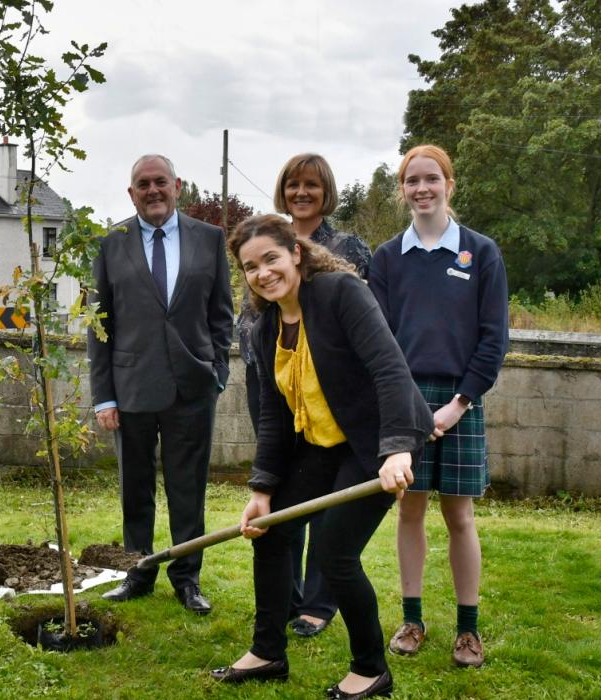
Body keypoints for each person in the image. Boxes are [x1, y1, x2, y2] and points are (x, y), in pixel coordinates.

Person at [210, 214, 432, 699]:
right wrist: (262, 490)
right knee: (269, 535)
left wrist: (396, 450)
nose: (263, 272)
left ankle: (371, 668)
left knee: (334, 553)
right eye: (250, 267)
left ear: (296, 251)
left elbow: (389, 368)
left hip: (375, 443)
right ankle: (268, 652)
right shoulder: (267, 325)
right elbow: (272, 412)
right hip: (321, 444)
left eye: (270, 258)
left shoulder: (340, 293)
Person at [371, 144, 508, 669]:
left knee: (459, 515)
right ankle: (412, 619)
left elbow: (493, 339)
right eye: (412, 180)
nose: (422, 188)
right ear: (402, 189)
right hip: (404, 399)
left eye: (432, 179)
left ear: (450, 185)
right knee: (410, 508)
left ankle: (468, 630)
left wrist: (459, 404)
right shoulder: (387, 258)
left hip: (461, 400)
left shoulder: (481, 252)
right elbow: (379, 341)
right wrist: (404, 407)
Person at [88, 154, 233, 615]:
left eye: (161, 182)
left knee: (188, 488)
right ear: (131, 193)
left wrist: (217, 374)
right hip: (130, 388)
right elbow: (99, 324)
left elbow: (221, 315)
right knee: (136, 487)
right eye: (143, 184)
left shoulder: (209, 239)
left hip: (192, 387)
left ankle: (187, 579)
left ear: (178, 186)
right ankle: (138, 572)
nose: (153, 190)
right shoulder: (112, 243)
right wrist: (103, 396)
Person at [235, 154, 372, 639]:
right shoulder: (264, 243)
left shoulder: (345, 264)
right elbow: (248, 319)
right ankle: (276, 625)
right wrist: (261, 486)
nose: (301, 192)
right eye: (293, 184)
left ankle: (321, 605)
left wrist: (398, 442)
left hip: (349, 416)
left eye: (311, 185)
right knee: (279, 516)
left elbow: (376, 350)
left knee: (334, 534)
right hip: (284, 391)